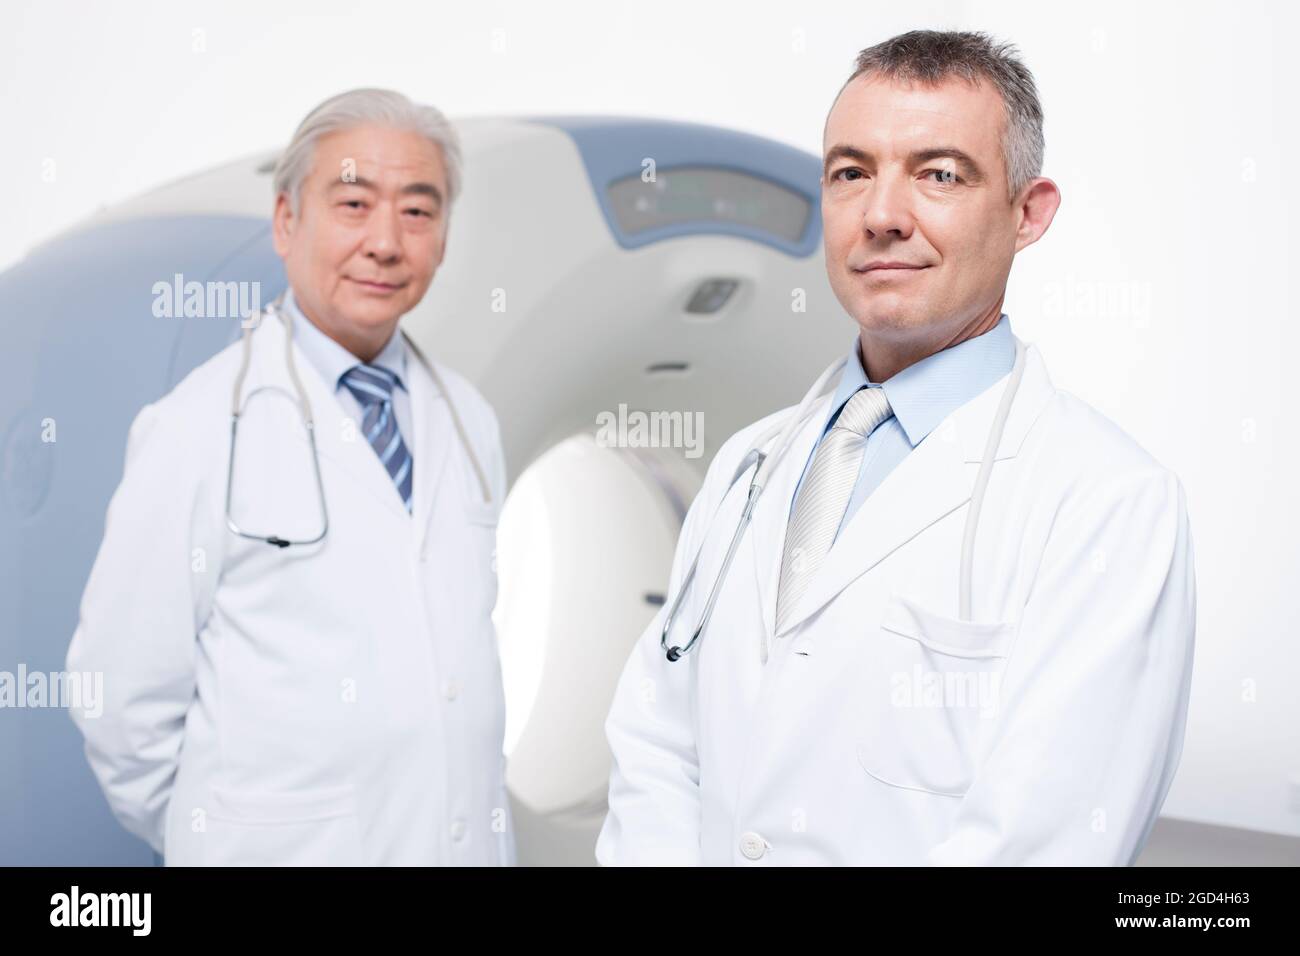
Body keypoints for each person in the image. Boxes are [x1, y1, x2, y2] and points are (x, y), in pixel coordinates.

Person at [597, 30, 1196, 865]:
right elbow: (657, 743)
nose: (882, 215)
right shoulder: (748, 465)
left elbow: (1044, 840)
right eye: (852, 173)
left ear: (1029, 213)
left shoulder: (1107, 503)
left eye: (939, 174)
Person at [66, 89, 514, 865]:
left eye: (417, 211)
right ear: (285, 221)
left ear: (443, 236)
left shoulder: (468, 420)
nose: (385, 242)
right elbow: (121, 699)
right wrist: (229, 830)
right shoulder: (199, 426)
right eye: (352, 203)